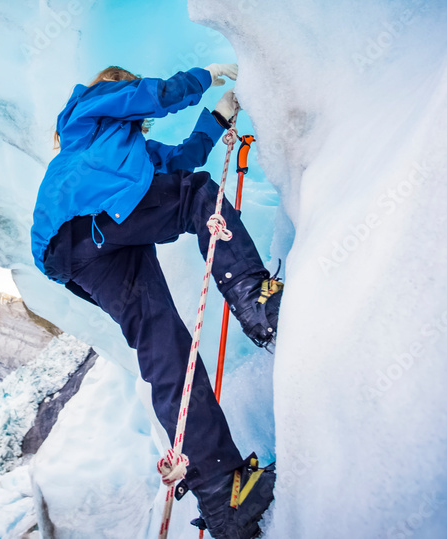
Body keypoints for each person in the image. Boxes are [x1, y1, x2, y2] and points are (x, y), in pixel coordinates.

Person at [31, 63, 281, 539]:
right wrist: (203, 77)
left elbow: (181, 158)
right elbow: (151, 95)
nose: (127, 93)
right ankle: (253, 297)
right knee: (197, 197)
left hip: (82, 253)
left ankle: (223, 494)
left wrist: (218, 117)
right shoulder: (85, 109)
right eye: (121, 84)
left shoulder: (134, 155)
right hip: (88, 216)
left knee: (166, 351)